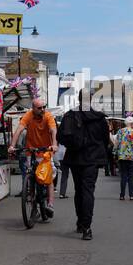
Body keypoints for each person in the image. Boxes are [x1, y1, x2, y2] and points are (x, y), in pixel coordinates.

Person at [57, 90, 111, 240]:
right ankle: (87, 227)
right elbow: (105, 139)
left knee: (78, 190)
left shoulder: (70, 115)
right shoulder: (99, 117)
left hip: (75, 157)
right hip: (92, 159)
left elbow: (60, 136)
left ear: (79, 99)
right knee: (88, 191)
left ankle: (80, 222)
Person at [11, 98, 57, 222]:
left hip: (46, 151)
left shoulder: (48, 116)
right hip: (31, 151)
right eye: (39, 108)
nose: (42, 109)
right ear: (33, 108)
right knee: (30, 176)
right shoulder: (28, 115)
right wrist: (12, 145)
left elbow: (53, 130)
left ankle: (50, 204)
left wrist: (54, 144)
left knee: (48, 179)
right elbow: (19, 130)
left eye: (43, 107)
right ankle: (32, 201)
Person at [113, 119, 133, 201]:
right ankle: (131, 195)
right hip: (131, 157)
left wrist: (114, 153)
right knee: (131, 176)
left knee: (123, 176)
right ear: (132, 123)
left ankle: (122, 195)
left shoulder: (120, 131)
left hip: (122, 157)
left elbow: (116, 143)